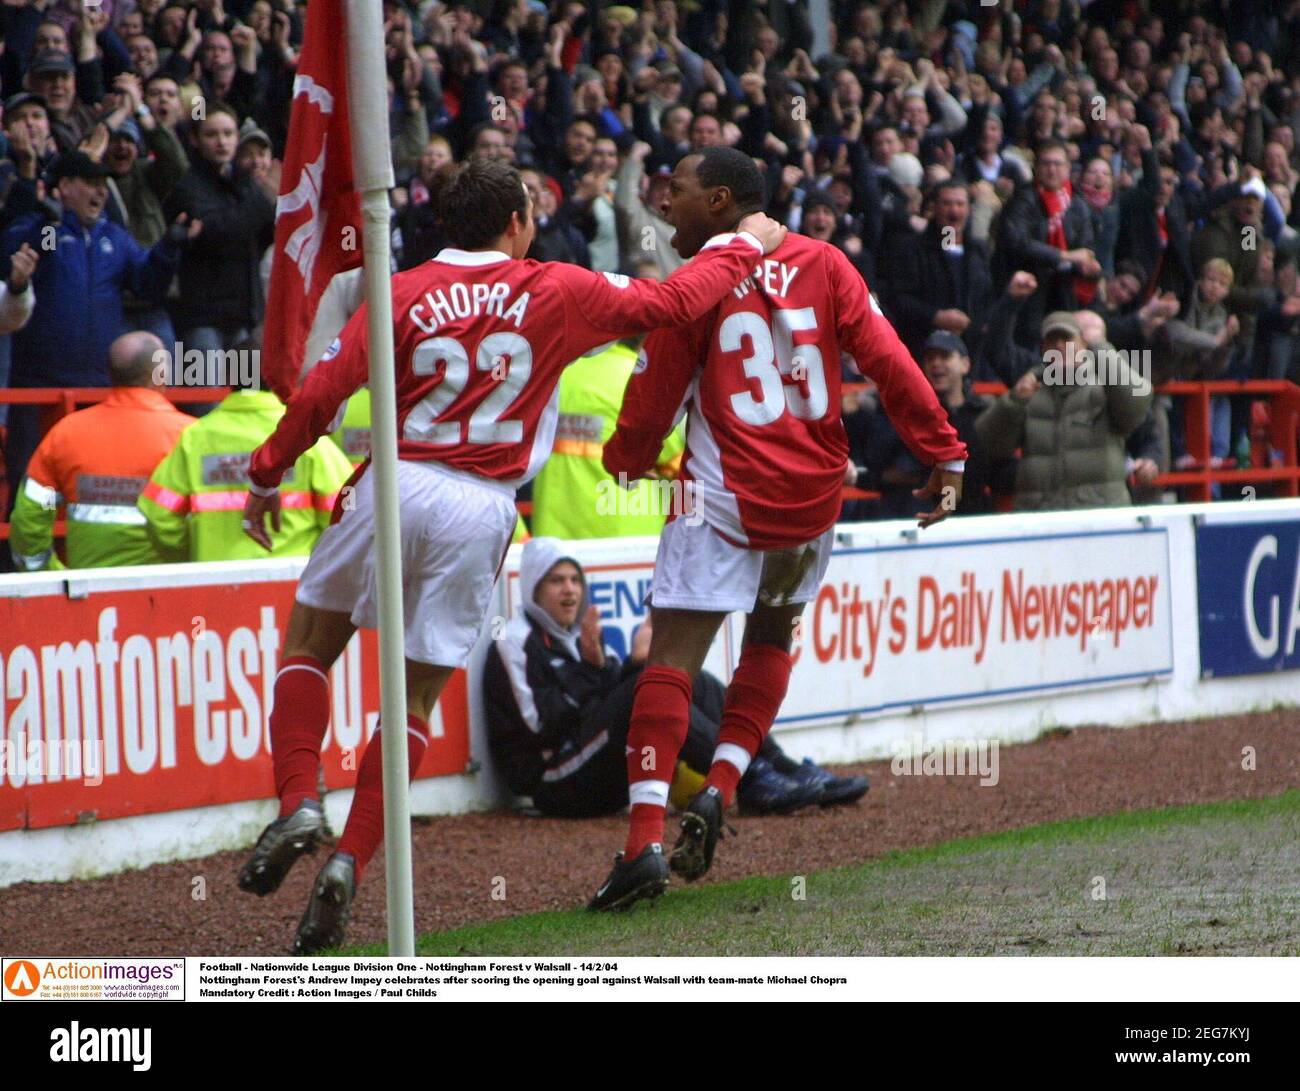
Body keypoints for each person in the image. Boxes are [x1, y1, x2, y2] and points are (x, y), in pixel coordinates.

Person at [233, 155, 785, 953]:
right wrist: (743, 245)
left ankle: (297, 800)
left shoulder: (401, 291)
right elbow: (672, 302)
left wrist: (264, 473)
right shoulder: (557, 286)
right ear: (519, 223)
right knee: (412, 703)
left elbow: (320, 393)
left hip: (396, 479)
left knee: (310, 648)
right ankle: (351, 858)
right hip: (483, 506)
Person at [588, 146, 966, 910]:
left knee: (671, 661)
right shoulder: (827, 264)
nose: (667, 205)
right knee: (770, 638)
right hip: (811, 495)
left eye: (680, 191)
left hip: (722, 495)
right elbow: (888, 359)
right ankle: (723, 784)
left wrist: (627, 454)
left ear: (721, 202)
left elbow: (657, 387)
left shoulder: (699, 281)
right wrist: (945, 451)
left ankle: (643, 845)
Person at [483, 539, 864, 818]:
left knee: (683, 679)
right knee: (642, 691)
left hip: (595, 767)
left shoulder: (577, 638)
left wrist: (628, 664)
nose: (569, 589)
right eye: (555, 581)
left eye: (574, 580)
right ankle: (748, 781)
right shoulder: (513, 640)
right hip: (555, 783)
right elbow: (542, 725)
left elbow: (601, 704)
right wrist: (595, 670)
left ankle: (776, 763)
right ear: (533, 589)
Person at [137, 334, 353, 563]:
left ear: (228, 376)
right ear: (280, 374)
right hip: (290, 582)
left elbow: (159, 516)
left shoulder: (195, 438)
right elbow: (345, 509)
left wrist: (193, 557)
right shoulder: (303, 434)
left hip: (214, 583)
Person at [10, 332, 194, 571]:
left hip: (87, 594)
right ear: (161, 374)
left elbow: (35, 511)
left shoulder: (67, 433)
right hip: (170, 591)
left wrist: (50, 573)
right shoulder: (188, 436)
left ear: (110, 374)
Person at [975, 311, 1153, 511]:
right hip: (1041, 518)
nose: (1059, 346)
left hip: (1100, 514)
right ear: (1043, 349)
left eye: (1067, 339)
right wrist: (1013, 401)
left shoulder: (1105, 388)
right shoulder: (1029, 389)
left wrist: (1100, 346)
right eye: (1052, 341)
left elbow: (1137, 401)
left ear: (1084, 345)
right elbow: (990, 444)